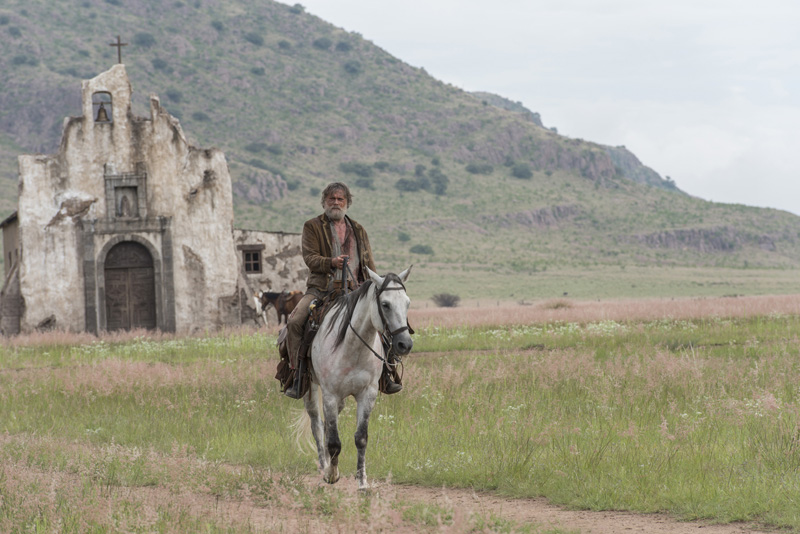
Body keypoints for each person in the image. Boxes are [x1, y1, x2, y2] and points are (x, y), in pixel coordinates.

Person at [283, 182, 403, 398]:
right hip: (322, 289)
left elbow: (369, 262)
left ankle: (386, 372)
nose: (336, 203)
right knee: (294, 323)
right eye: (332, 199)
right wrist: (331, 262)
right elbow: (310, 258)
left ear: (347, 203)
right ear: (324, 202)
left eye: (340, 199)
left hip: (357, 290)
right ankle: (298, 375)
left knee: (384, 319)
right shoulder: (312, 226)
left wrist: (376, 287)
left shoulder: (358, 229)